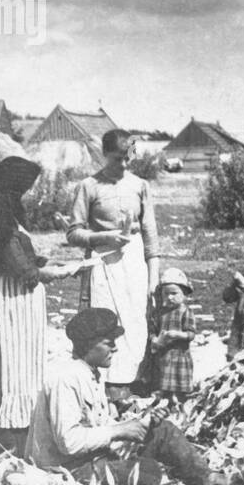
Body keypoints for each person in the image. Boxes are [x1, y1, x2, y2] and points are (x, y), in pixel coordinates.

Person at [25, 308, 244, 485]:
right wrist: (120, 431)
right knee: (149, 472)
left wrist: (141, 423)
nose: (115, 347)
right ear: (88, 345)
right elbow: (69, 443)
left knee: (163, 431)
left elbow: (100, 425)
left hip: (93, 456)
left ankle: (208, 478)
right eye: (108, 342)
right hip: (67, 469)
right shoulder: (66, 378)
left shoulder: (90, 373)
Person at [0, 156, 77, 455]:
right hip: (12, 300)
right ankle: (11, 428)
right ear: (14, 187)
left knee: (6, 359)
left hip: (3, 295)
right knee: (13, 363)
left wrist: (44, 262)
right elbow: (17, 268)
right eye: (24, 188)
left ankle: (11, 422)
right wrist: (50, 273)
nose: (26, 195)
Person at [66, 129, 160, 403]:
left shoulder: (140, 186)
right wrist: (102, 237)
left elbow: (150, 234)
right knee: (104, 320)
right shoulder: (89, 186)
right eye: (117, 159)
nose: (123, 164)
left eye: (127, 159)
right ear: (104, 155)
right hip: (103, 262)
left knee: (136, 321)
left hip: (134, 262)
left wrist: (153, 275)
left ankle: (131, 381)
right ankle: (105, 384)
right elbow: (73, 232)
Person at [149, 267, 196, 406]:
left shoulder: (185, 312)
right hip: (163, 356)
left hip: (179, 356)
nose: (170, 297)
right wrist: (156, 340)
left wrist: (177, 334)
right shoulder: (160, 313)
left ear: (184, 294)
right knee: (162, 387)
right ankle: (163, 405)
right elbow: (153, 331)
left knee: (178, 388)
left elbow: (191, 334)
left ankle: (179, 407)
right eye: (166, 294)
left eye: (174, 293)